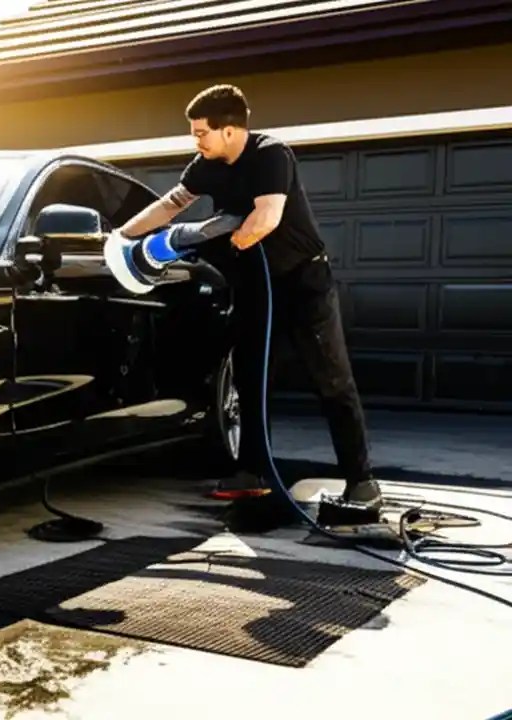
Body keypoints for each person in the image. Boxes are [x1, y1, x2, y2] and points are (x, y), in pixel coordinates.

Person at [116, 84, 382, 511]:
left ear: (229, 130)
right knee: (250, 378)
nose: (196, 140)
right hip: (257, 286)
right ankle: (252, 472)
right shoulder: (207, 163)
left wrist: (217, 235)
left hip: (304, 283)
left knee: (332, 381)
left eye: (201, 132)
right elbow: (171, 204)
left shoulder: (270, 154)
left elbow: (266, 218)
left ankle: (361, 483)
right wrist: (122, 236)